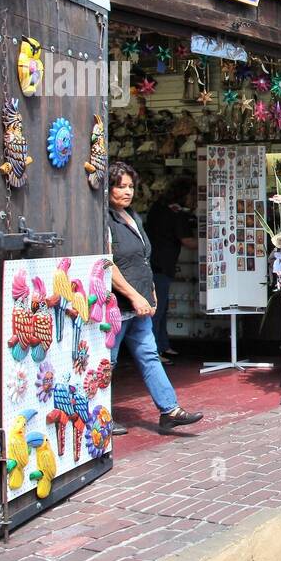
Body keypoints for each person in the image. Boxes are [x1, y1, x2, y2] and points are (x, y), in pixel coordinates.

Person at [107, 163, 204, 434]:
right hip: (118, 306)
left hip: (139, 303)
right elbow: (108, 265)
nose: (127, 192)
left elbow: (142, 258)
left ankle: (169, 409)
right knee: (108, 361)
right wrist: (133, 295)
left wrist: (148, 291)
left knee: (149, 355)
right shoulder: (104, 220)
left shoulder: (132, 216)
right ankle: (100, 415)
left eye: (130, 186)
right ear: (108, 188)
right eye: (120, 186)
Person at [146, 177, 197, 362]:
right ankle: (155, 352)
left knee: (160, 308)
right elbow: (187, 241)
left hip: (151, 262)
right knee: (158, 310)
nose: (194, 199)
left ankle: (163, 346)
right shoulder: (177, 212)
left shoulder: (158, 206)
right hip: (162, 265)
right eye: (192, 194)